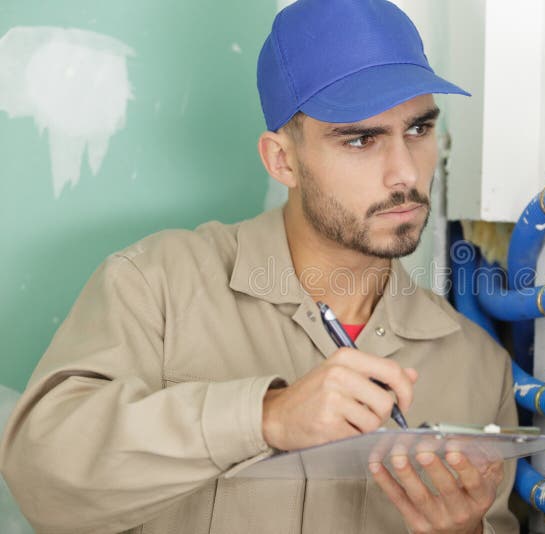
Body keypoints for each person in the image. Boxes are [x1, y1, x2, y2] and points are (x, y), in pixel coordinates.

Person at [0, 0, 518, 532]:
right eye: (361, 139)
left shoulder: (477, 366)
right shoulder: (154, 286)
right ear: (281, 160)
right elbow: (41, 476)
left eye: (418, 130)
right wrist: (265, 417)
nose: (405, 172)